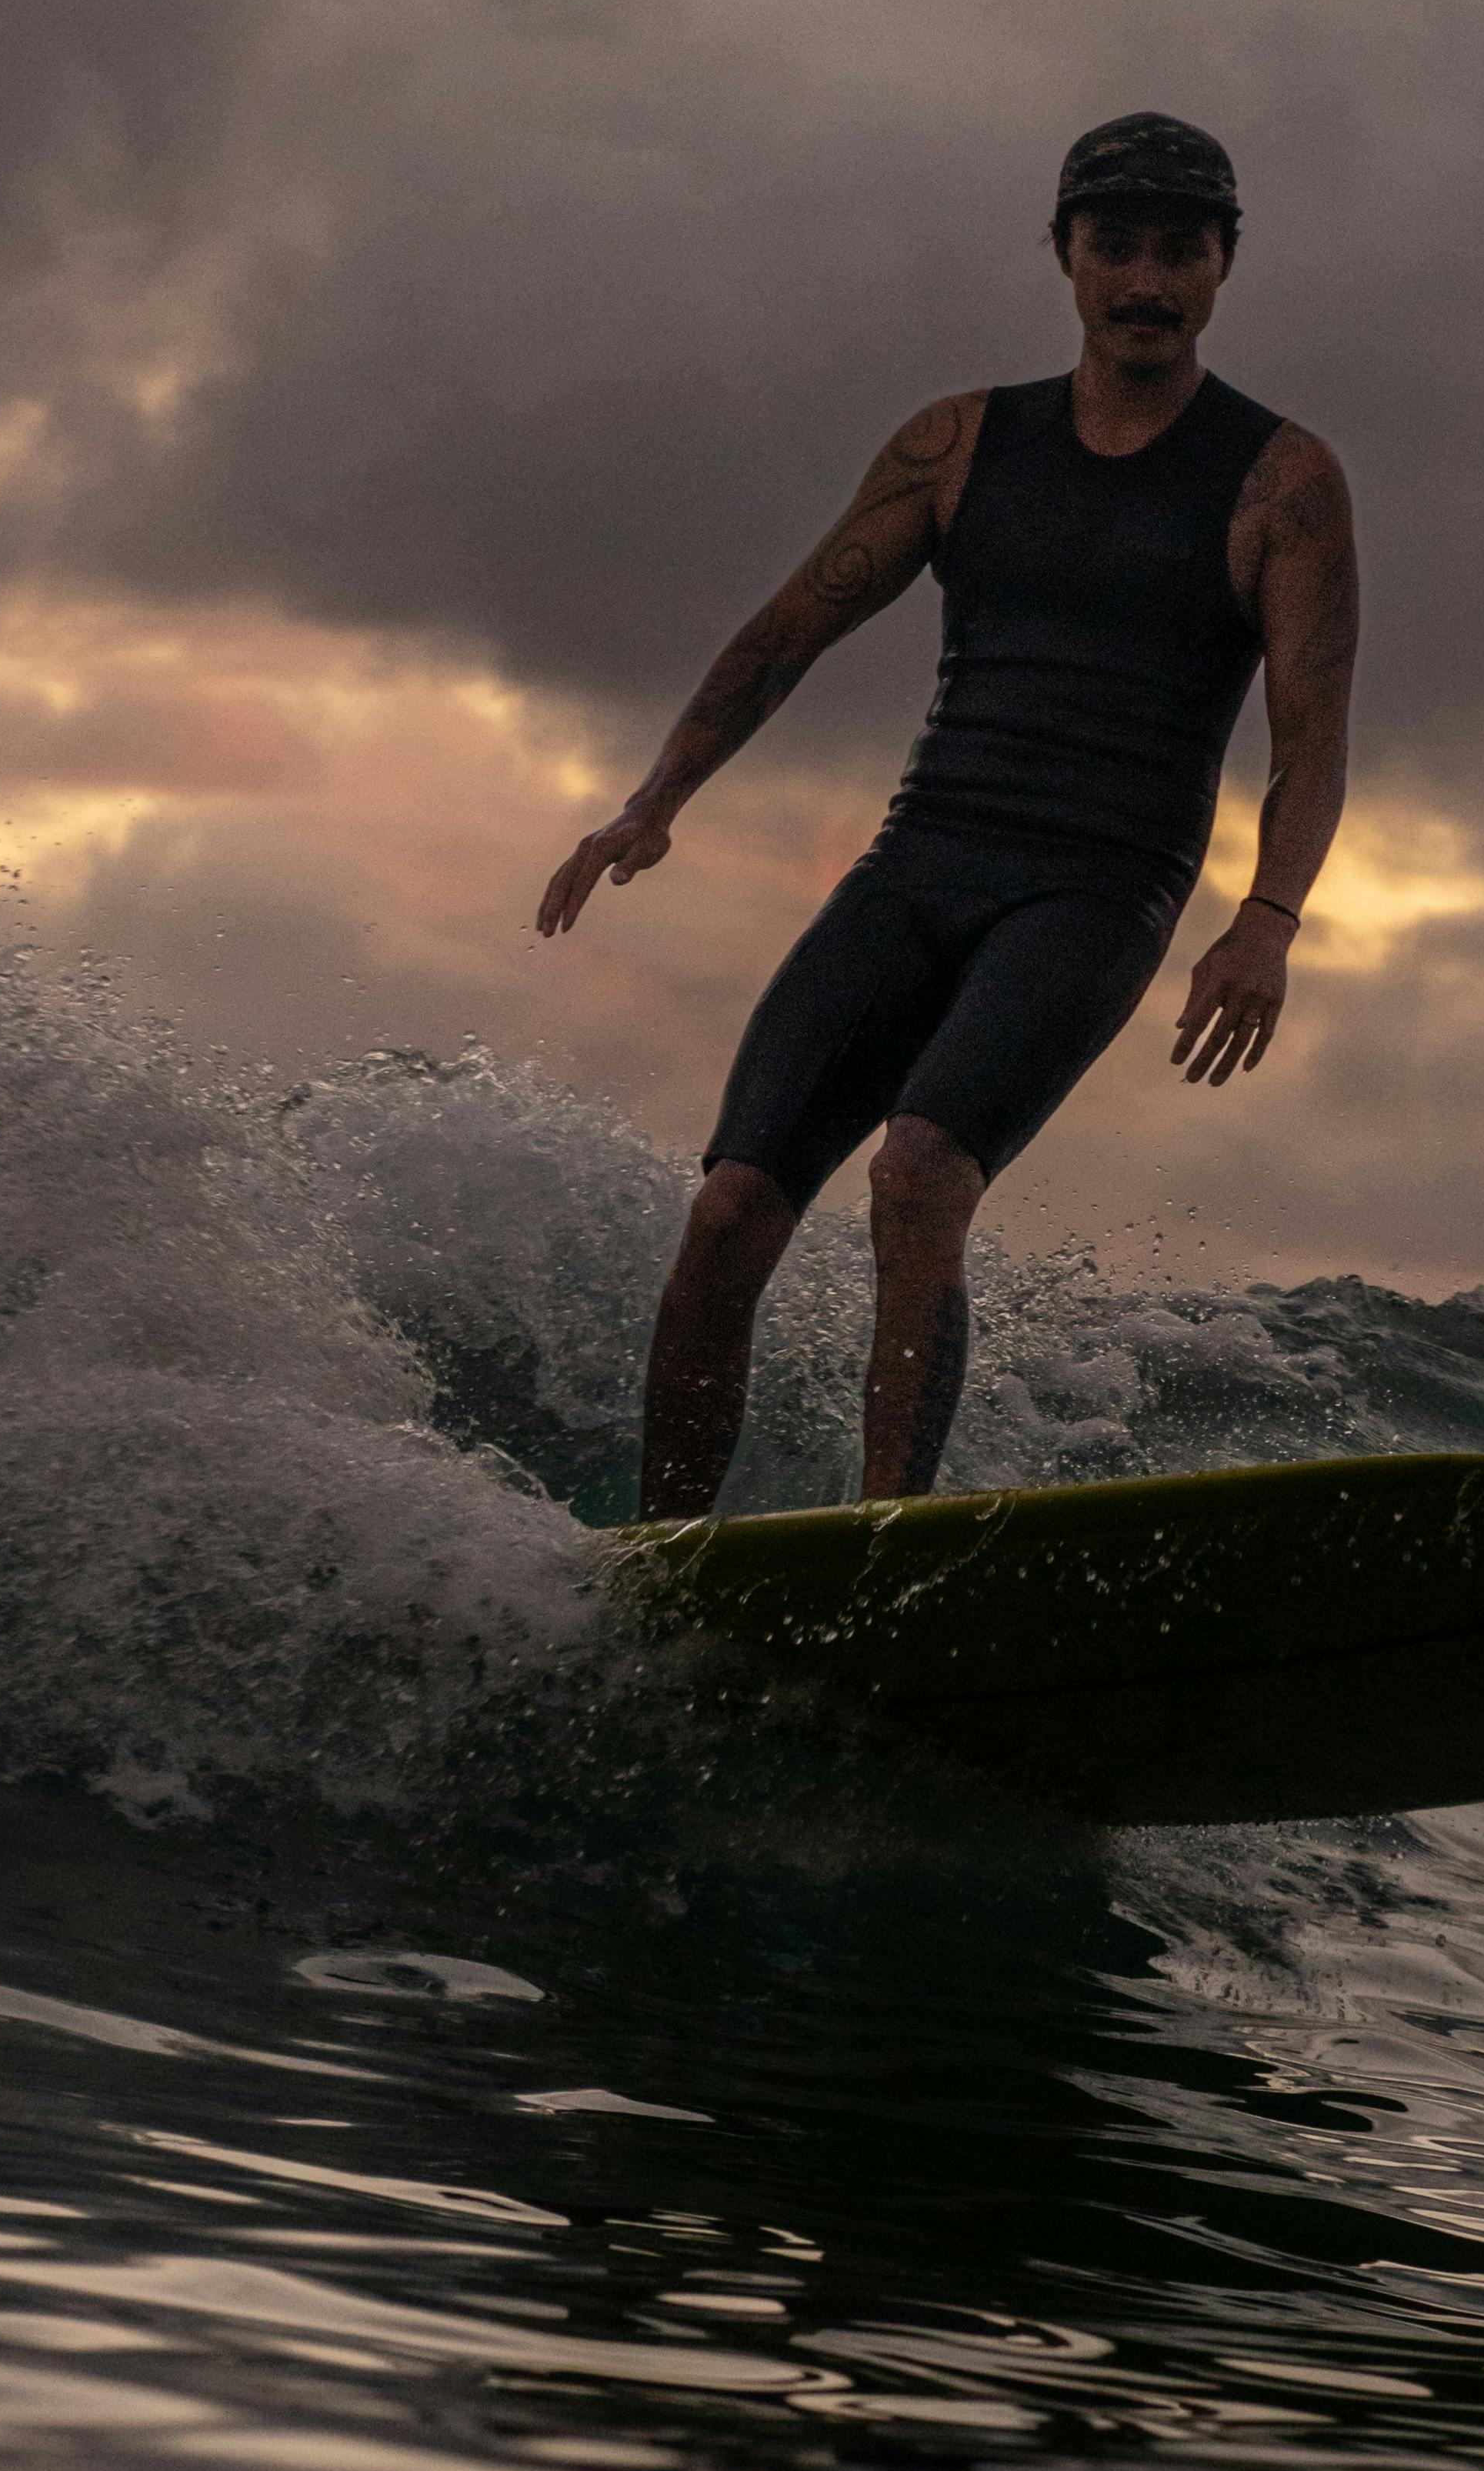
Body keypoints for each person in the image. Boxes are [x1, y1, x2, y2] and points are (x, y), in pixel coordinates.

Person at [534, 112, 1361, 1519]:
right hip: (923, 858)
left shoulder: (1284, 482)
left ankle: (885, 1541)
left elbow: (1312, 738)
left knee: (919, 1173)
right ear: (1064, 255)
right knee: (732, 1206)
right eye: (1116, 247)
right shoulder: (959, 445)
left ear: (1226, 266)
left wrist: (1266, 920)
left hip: (1100, 888)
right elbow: (786, 631)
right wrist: (653, 801)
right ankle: (661, 1551)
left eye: (1181, 249)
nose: (1146, 279)